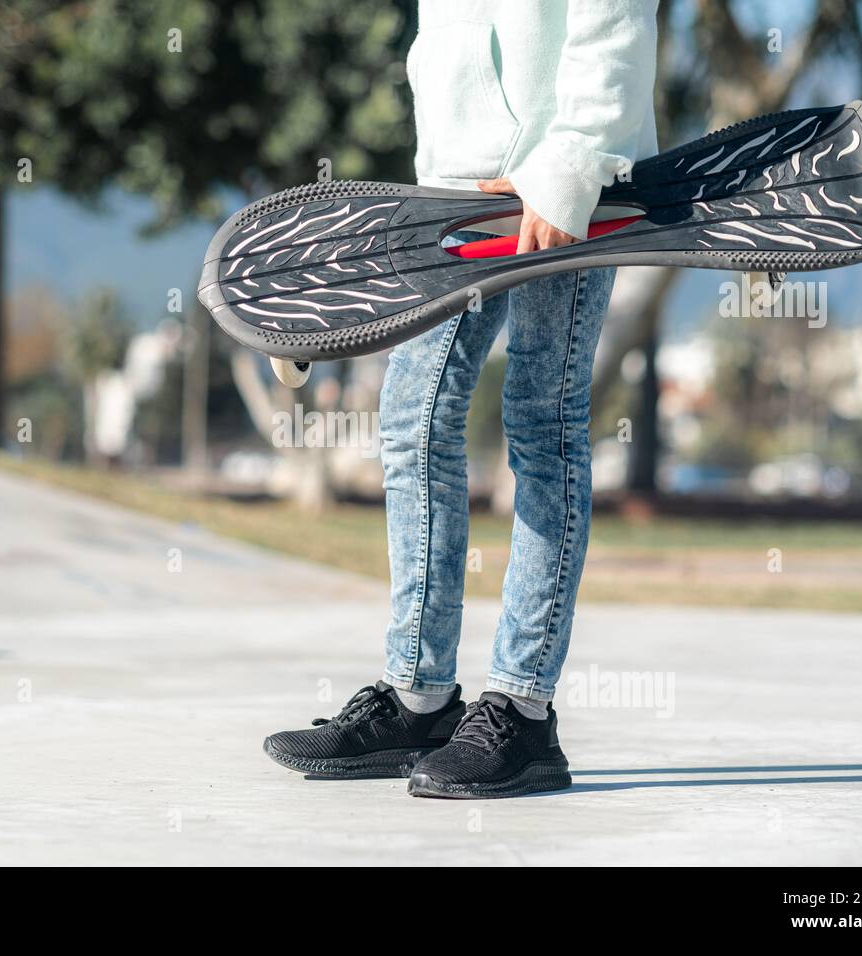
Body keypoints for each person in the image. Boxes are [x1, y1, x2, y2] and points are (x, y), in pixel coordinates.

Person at [264, 1, 660, 797]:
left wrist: (575, 162)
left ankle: (521, 708)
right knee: (413, 425)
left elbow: (615, 13)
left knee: (541, 426)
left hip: (565, 189)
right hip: (455, 191)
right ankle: (419, 694)